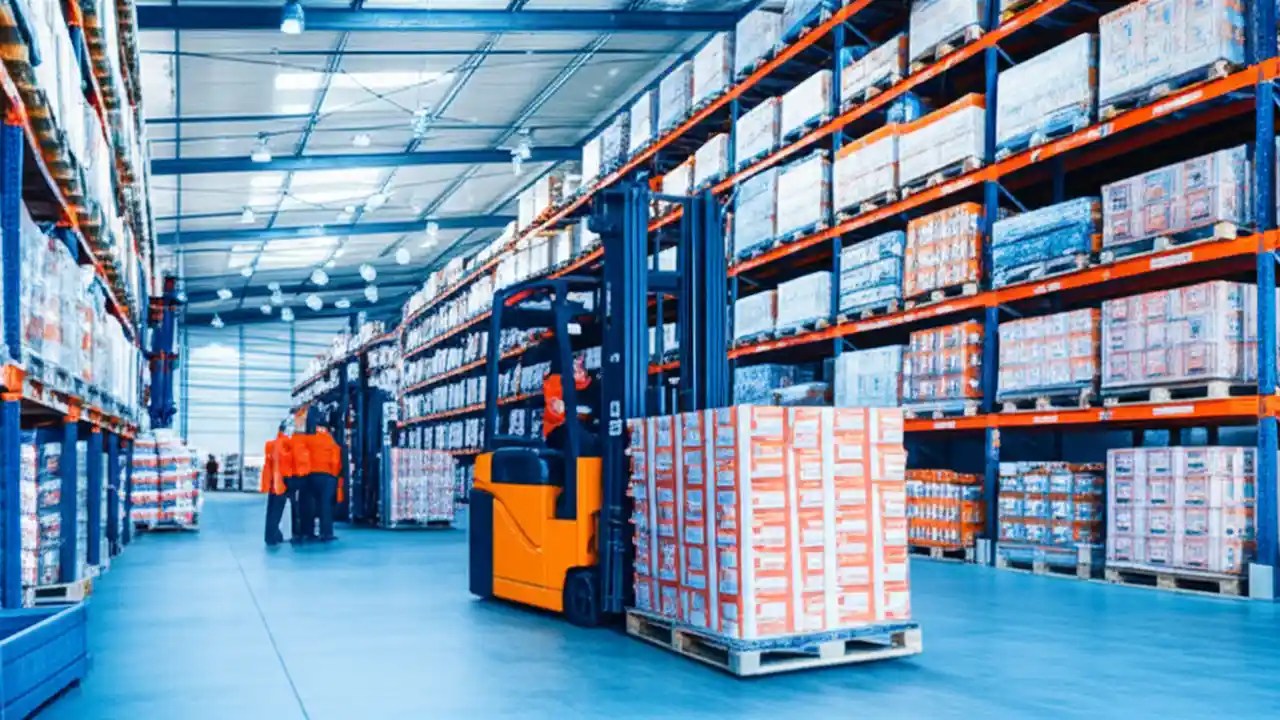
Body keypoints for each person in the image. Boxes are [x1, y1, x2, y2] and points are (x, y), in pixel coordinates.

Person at [543, 355, 593, 451]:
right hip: (559, 437)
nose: (580, 370)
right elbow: (555, 410)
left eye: (581, 367)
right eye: (576, 368)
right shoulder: (555, 383)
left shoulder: (589, 387)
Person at [304, 426, 342, 542]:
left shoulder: (307, 438)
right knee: (326, 505)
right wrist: (335, 476)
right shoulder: (329, 439)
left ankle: (308, 532)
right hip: (326, 475)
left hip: (310, 475)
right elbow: (335, 459)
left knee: (310, 505)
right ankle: (326, 533)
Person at [261, 426, 290, 545]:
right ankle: (273, 536)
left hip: (272, 483)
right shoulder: (287, 444)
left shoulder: (270, 444)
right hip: (281, 484)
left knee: (271, 511)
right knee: (277, 511)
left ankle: (271, 535)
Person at [290, 428, 315, 543]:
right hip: (301, 478)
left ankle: (298, 532)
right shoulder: (302, 444)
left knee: (297, 506)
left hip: (297, 478)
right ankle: (304, 532)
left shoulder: (293, 442)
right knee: (303, 506)